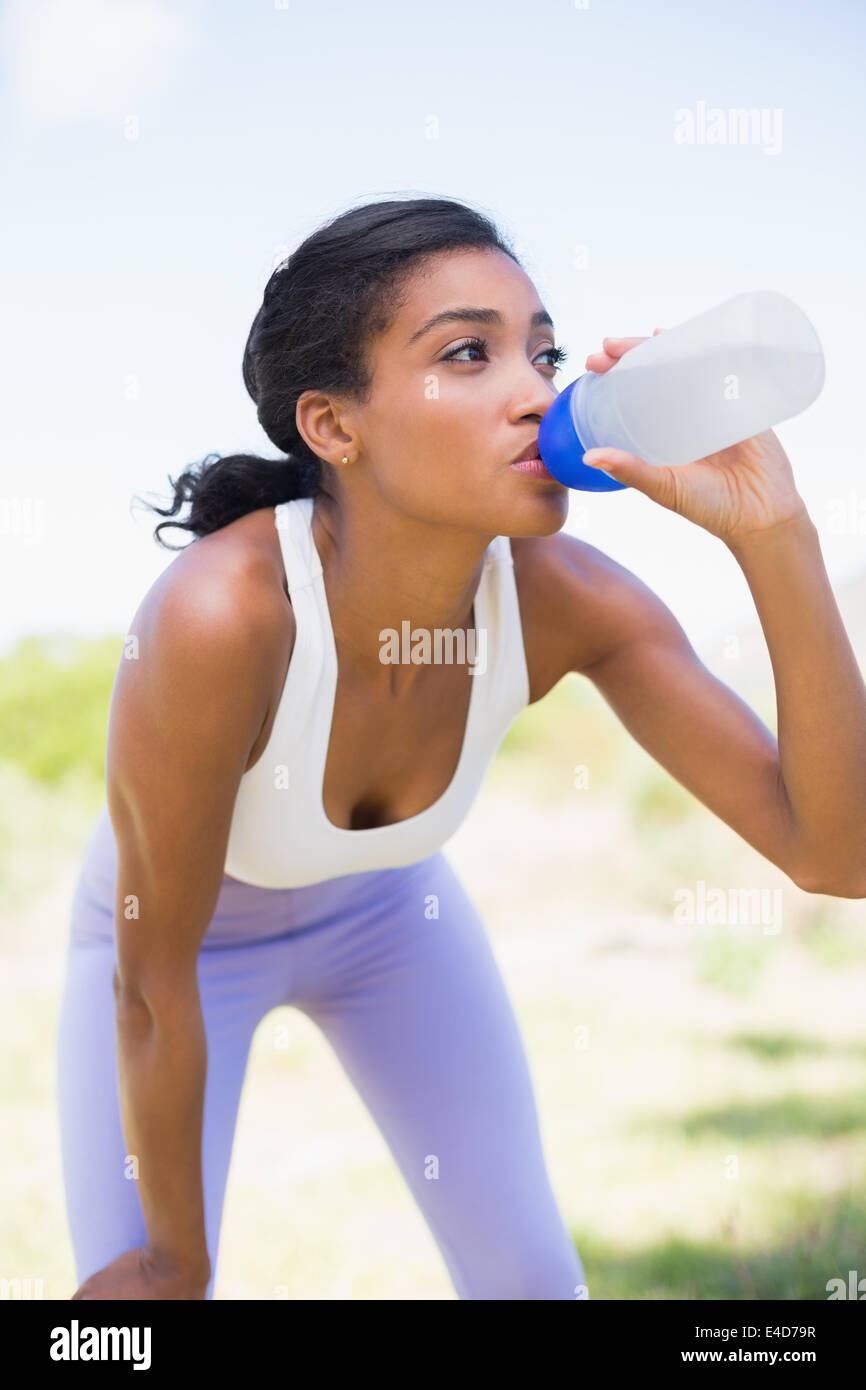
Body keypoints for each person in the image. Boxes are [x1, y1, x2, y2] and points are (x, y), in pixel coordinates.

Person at [58, 194, 863, 1303]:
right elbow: (150, 982)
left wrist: (776, 538)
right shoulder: (220, 616)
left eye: (542, 349)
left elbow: (835, 855)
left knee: (534, 1287)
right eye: (468, 353)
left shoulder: (570, 601)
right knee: (128, 1311)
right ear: (334, 426)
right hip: (175, 947)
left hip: (390, 917)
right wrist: (179, 1266)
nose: (538, 389)